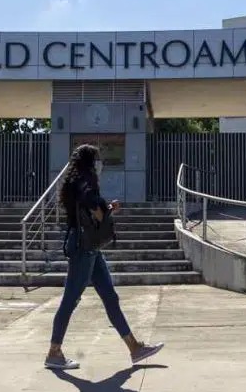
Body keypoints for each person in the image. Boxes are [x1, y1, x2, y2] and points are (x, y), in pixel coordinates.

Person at [45, 144, 165, 370]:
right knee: (70, 299)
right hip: (84, 248)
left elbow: (88, 211)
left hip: (88, 246)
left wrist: (105, 208)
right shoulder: (86, 183)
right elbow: (96, 210)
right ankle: (54, 351)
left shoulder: (73, 182)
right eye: (98, 159)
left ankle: (134, 348)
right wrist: (109, 208)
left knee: (110, 297)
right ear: (91, 162)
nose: (100, 163)